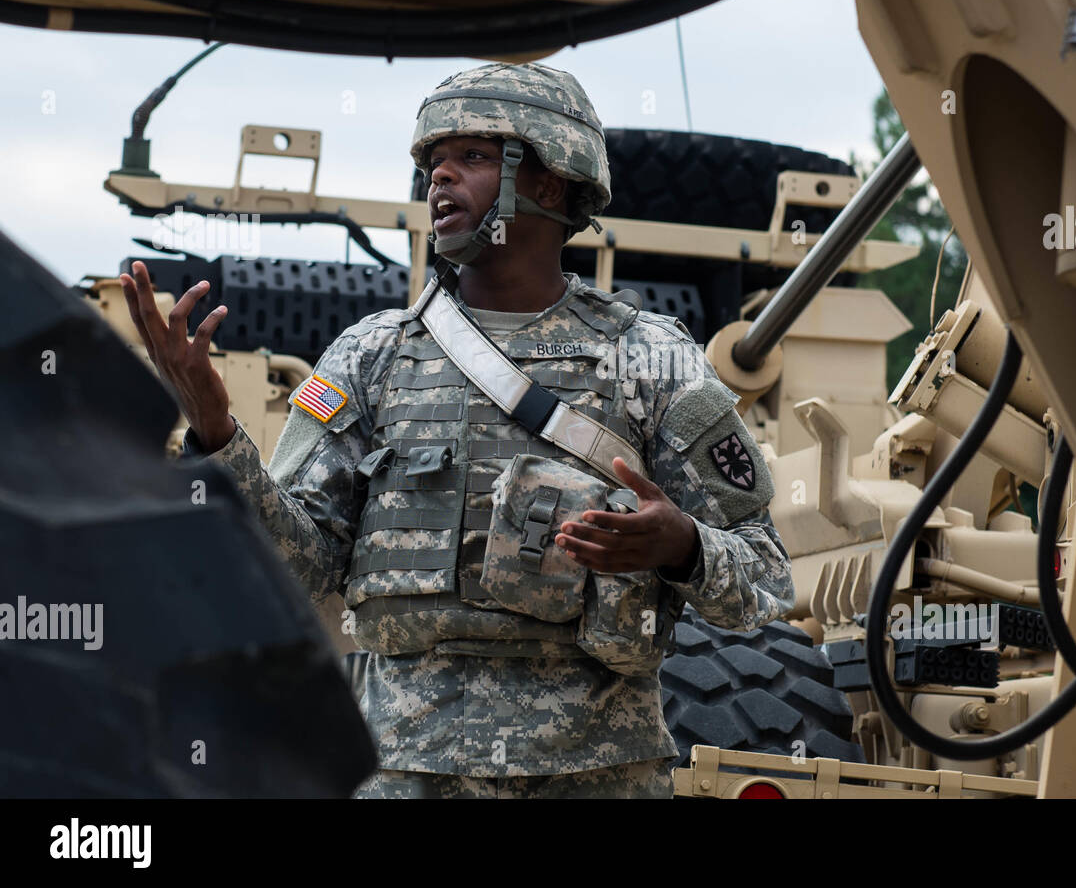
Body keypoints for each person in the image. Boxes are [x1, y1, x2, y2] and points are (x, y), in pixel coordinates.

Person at [120, 61, 794, 798]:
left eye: (472, 157)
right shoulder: (370, 356)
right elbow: (298, 567)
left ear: (551, 179)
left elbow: (763, 581)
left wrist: (682, 546)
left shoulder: (653, 358)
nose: (441, 178)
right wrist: (217, 433)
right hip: (407, 770)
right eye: (433, 163)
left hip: (596, 773)